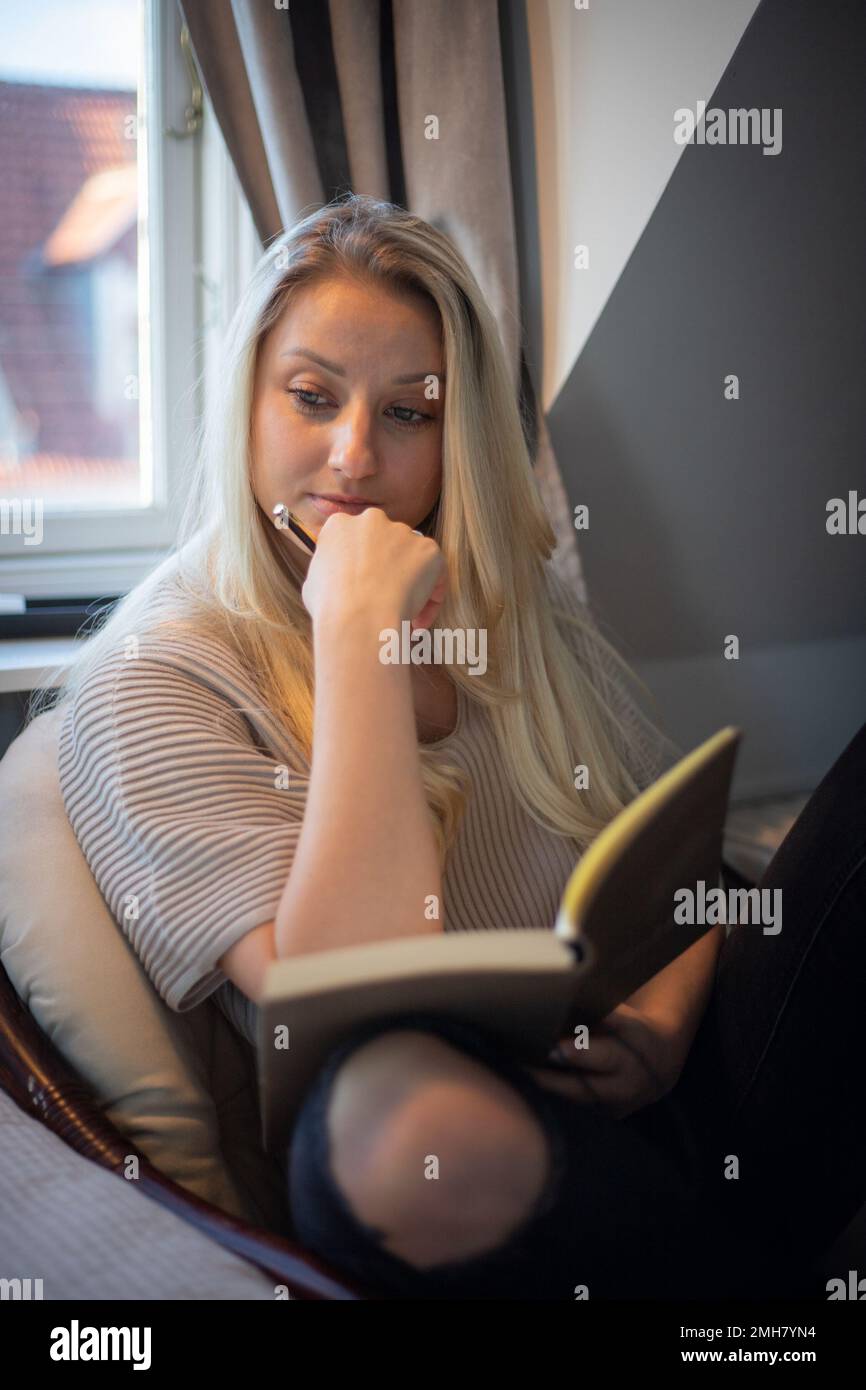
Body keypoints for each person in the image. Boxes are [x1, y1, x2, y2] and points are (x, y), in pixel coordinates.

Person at [34, 193, 866, 1300]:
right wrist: (356, 638)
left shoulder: (502, 612)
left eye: (409, 414)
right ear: (245, 403)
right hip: (433, 1156)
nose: (352, 455)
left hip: (667, 1094)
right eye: (310, 397)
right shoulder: (160, 675)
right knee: (398, 1111)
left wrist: (661, 1020)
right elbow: (345, 1002)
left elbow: (672, 878)